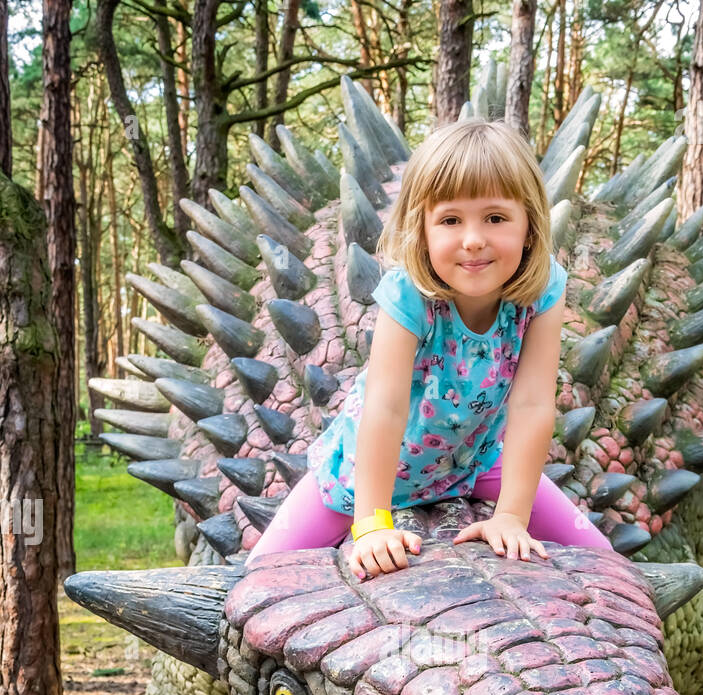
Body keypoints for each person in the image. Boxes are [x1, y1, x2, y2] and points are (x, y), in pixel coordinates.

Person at [246, 118, 614, 579]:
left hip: (472, 463)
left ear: (530, 226)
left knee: (607, 561)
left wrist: (512, 516)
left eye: (496, 218)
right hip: (365, 473)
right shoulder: (408, 296)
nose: (474, 238)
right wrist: (372, 524)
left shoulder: (544, 289)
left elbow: (534, 402)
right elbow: (384, 408)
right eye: (451, 220)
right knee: (257, 575)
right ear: (422, 229)